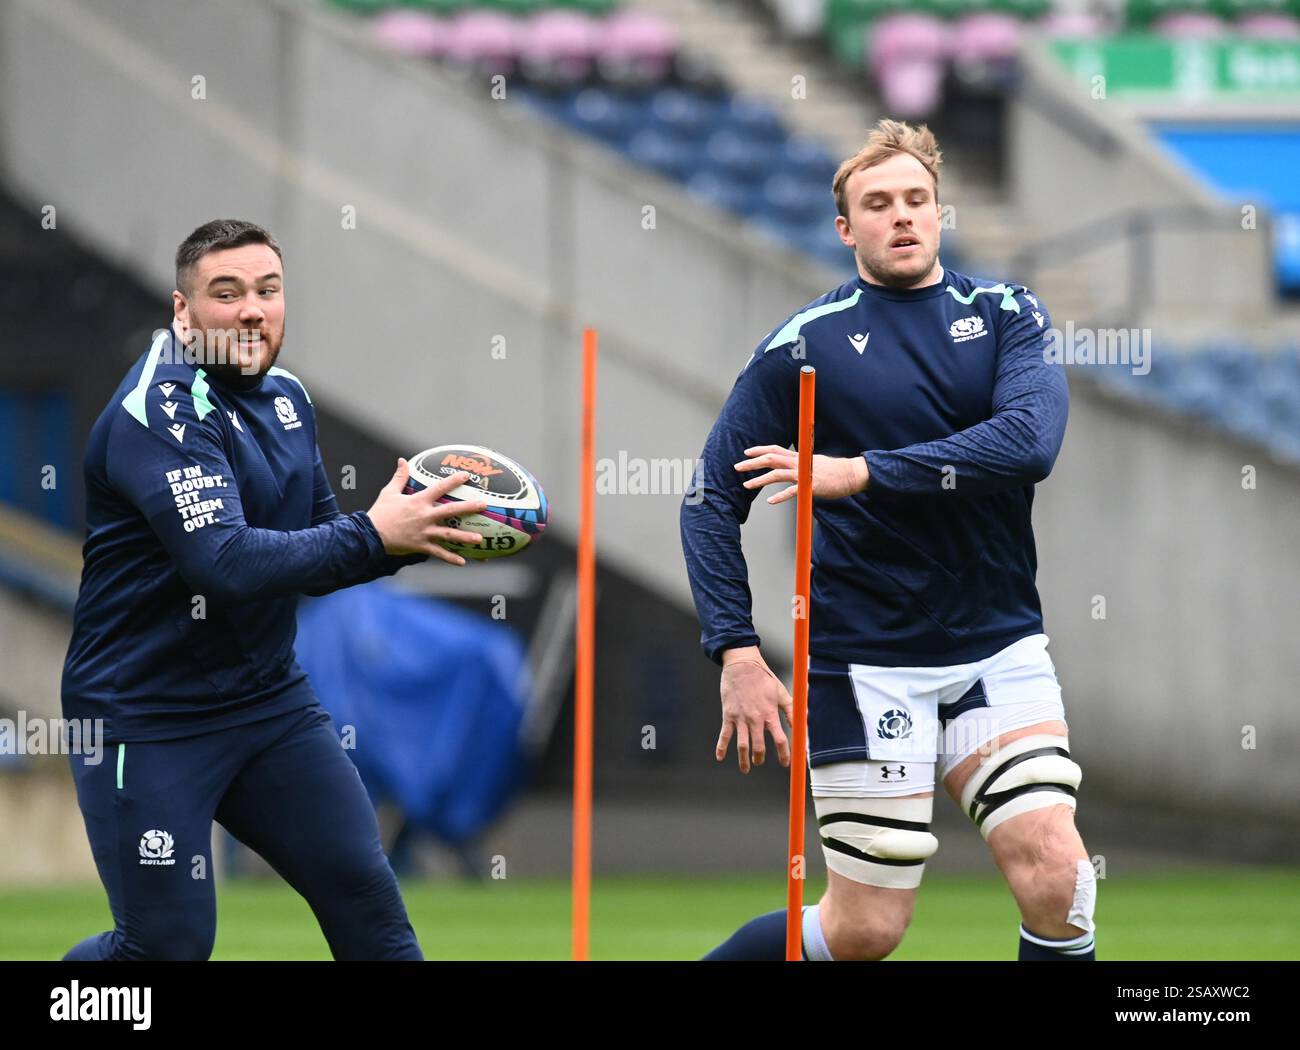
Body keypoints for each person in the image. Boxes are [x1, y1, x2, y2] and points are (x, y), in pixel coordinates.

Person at [680, 120, 1096, 961]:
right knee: (866, 929)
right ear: (846, 229)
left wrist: (858, 472)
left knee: (1060, 878)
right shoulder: (802, 346)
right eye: (878, 204)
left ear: (941, 214)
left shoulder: (1007, 312)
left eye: (916, 200)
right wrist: (735, 652)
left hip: (998, 646)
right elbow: (706, 502)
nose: (900, 215)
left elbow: (1029, 444)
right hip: (865, 659)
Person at [60, 219, 486, 960]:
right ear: (182, 311)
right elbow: (223, 563)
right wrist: (377, 535)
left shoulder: (287, 397)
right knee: (163, 950)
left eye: (268, 289)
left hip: (267, 705)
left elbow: (320, 544)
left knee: (374, 917)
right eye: (226, 294)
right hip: (144, 715)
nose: (252, 309)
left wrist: (415, 529)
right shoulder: (159, 413)